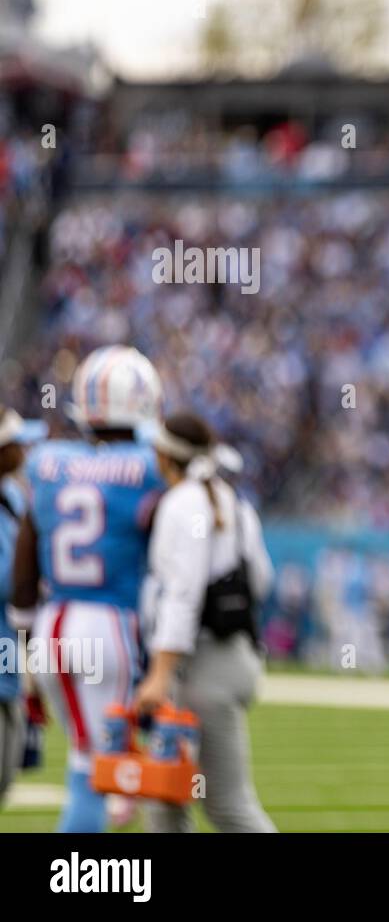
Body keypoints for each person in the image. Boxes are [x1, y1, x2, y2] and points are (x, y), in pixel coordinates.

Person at [12, 345, 165, 832]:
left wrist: (22, 640)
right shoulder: (148, 467)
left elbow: (24, 557)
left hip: (53, 624)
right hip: (109, 624)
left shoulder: (47, 461)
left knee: (92, 757)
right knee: (93, 767)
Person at [135, 412, 276, 833]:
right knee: (166, 799)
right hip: (230, 657)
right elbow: (261, 582)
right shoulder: (230, 500)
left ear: (165, 454)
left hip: (200, 667)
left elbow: (183, 595)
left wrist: (159, 674)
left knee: (227, 806)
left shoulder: (182, 504)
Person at [0, 407, 47, 807]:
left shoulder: (14, 495)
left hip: (10, 660)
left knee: (5, 774)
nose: (24, 450)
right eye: (15, 443)